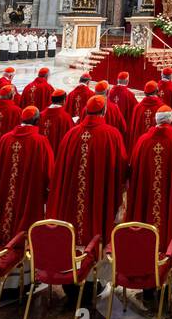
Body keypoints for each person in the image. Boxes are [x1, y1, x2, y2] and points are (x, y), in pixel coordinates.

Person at [49, 96, 127, 258]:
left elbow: (59, 170)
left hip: (71, 196)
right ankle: (92, 271)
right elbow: (121, 168)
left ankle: (69, 263)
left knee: (72, 226)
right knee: (96, 223)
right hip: (97, 194)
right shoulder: (112, 135)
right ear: (104, 111)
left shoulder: (71, 135)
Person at [124, 106, 172, 275]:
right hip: (171, 201)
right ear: (171, 120)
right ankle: (168, 278)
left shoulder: (142, 142)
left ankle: (145, 273)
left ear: (156, 120)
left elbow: (132, 175)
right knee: (170, 229)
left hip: (146, 204)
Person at [0, 105, 53, 244]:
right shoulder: (40, 141)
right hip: (28, 190)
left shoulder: (5, 139)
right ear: (37, 121)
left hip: (5, 188)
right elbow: (48, 171)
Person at [127, 81, 164, 151]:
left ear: (145, 93)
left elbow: (133, 129)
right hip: (156, 147)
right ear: (157, 91)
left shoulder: (137, 108)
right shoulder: (162, 107)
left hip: (140, 146)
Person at [38, 90, 75, 157]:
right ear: (63, 101)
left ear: (51, 100)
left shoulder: (40, 115)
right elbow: (71, 138)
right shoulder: (66, 117)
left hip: (40, 153)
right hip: (57, 155)